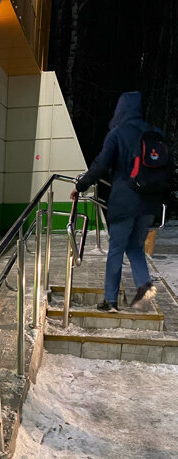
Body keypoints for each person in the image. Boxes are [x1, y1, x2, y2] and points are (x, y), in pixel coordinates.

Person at [70, 91, 163, 312]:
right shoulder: (154, 133)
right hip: (149, 204)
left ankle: (110, 300)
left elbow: (101, 165)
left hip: (124, 202)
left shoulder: (118, 134)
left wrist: (80, 186)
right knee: (135, 247)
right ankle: (144, 286)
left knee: (116, 249)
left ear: (121, 109)